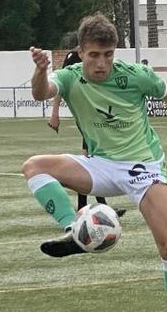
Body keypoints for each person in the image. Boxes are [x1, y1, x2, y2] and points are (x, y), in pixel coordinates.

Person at [22, 14, 167, 312]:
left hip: (144, 167)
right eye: (95, 54)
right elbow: (41, 92)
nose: (102, 63)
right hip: (100, 165)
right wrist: (39, 70)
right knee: (34, 166)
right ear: (81, 52)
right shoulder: (69, 76)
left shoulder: (134, 76)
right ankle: (73, 229)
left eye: (108, 54)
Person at [48, 45, 125, 218]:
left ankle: (90, 206)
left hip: (100, 113)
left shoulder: (101, 59)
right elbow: (60, 84)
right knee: (90, 158)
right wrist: (55, 114)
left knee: (94, 158)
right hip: (87, 114)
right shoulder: (73, 57)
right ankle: (89, 207)